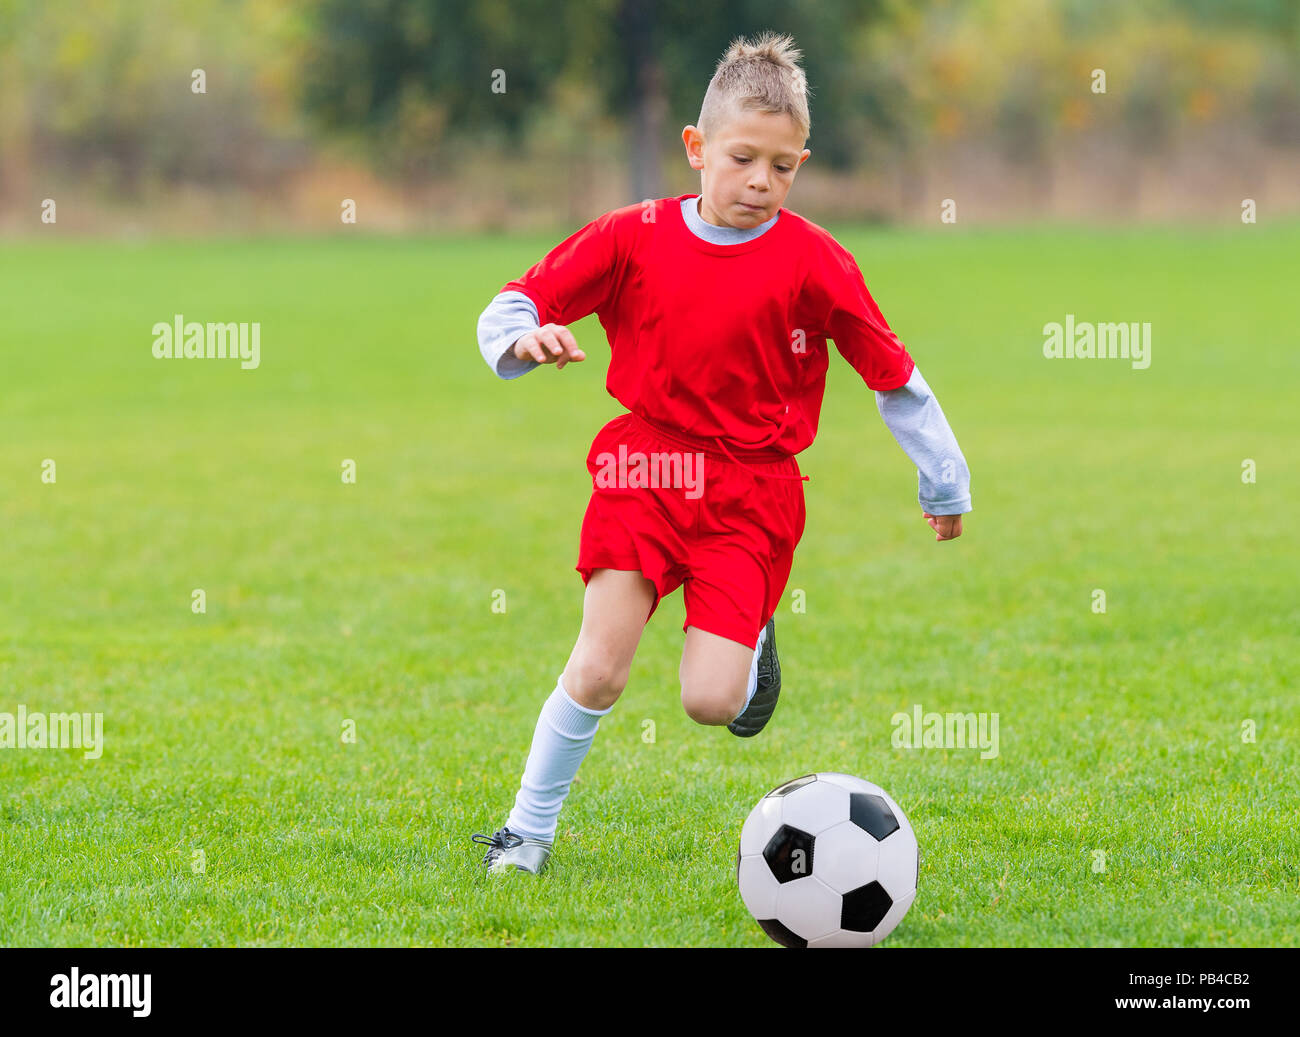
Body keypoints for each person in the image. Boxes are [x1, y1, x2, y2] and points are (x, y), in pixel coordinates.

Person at [471, 32, 971, 874]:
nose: (760, 183)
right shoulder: (634, 236)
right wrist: (526, 338)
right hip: (645, 469)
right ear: (697, 149)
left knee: (710, 701)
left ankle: (755, 633)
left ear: (801, 163)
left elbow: (892, 373)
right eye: (742, 159)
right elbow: (519, 298)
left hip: (752, 492)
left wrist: (944, 479)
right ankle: (526, 832)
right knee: (598, 668)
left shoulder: (816, 262)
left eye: (782, 167)